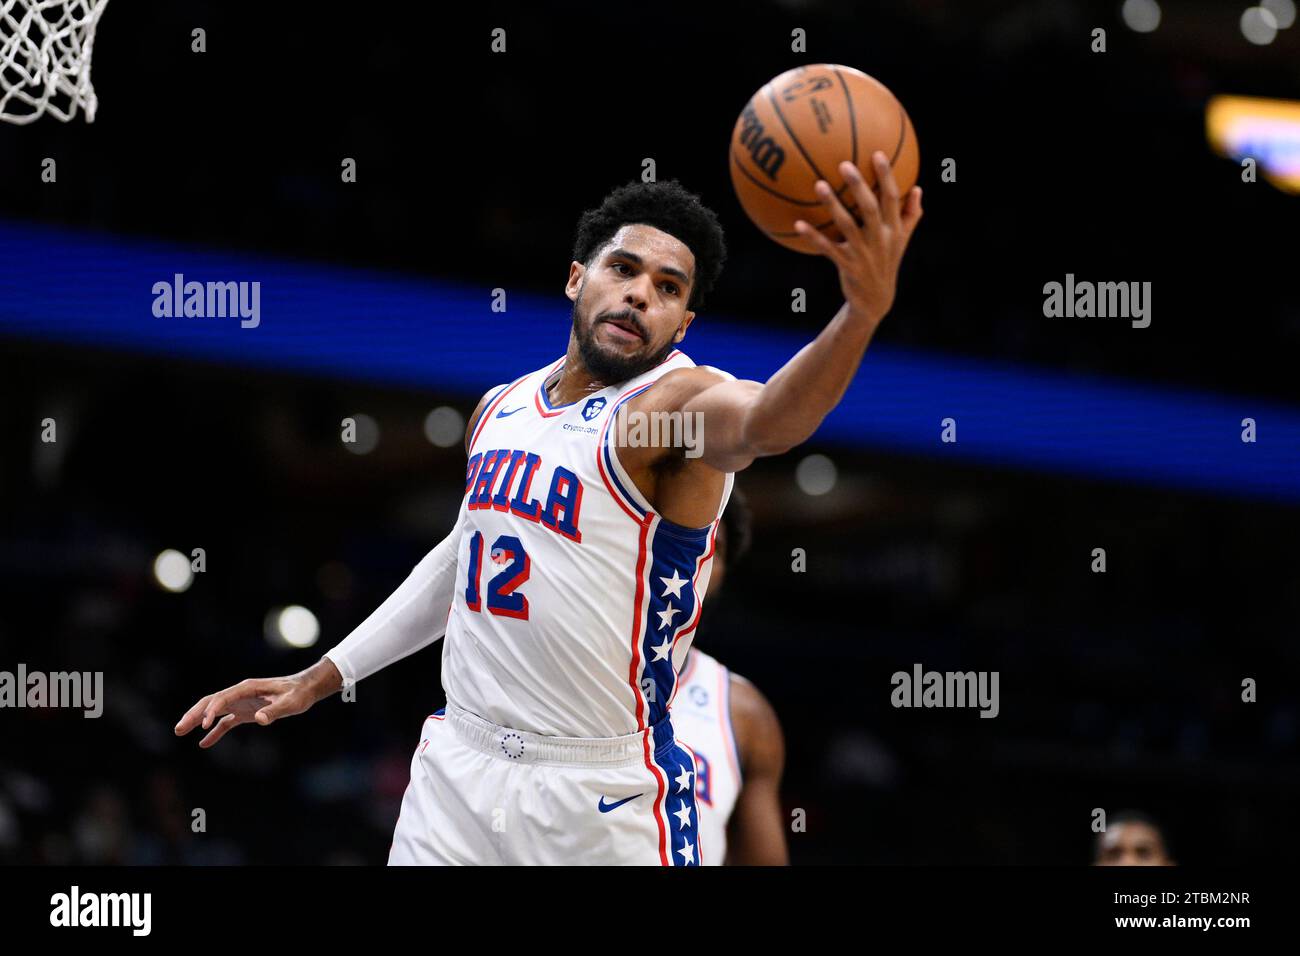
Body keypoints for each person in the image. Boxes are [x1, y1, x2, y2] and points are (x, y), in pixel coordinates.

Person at [175, 155, 924, 865]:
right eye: (623, 269)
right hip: (458, 770)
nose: (640, 295)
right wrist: (322, 676)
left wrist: (860, 313)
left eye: (669, 288)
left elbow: (769, 421)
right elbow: (462, 556)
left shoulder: (670, 410)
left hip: (597, 793)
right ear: (577, 278)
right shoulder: (500, 408)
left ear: (683, 326)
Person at [672, 488, 788, 865]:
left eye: (713, 544)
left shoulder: (743, 712)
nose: (696, 554)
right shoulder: (551, 670)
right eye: (679, 532)